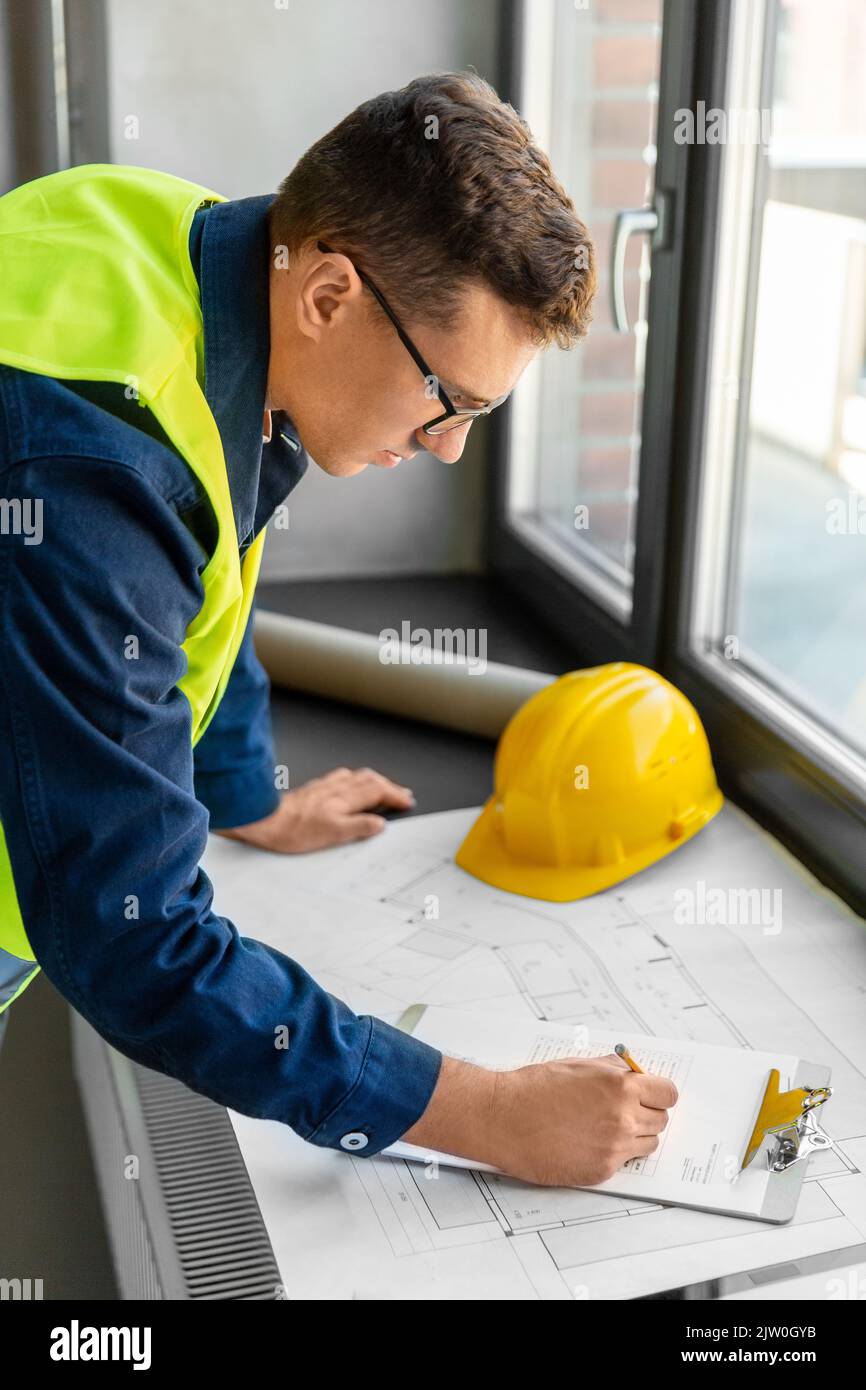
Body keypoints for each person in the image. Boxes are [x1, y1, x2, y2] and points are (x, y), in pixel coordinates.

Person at [0, 71, 676, 1187]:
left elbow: (207, 560)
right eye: (444, 399)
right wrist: (488, 1113)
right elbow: (127, 939)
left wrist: (244, 794)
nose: (449, 445)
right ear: (329, 294)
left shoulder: (185, 250)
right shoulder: (87, 466)